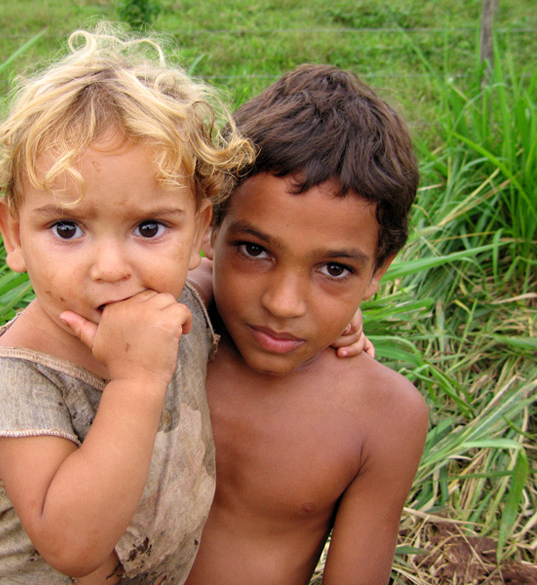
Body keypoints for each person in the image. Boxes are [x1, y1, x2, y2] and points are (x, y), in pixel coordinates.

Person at [0, 25, 255, 585]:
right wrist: (135, 383)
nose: (110, 268)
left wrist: (334, 320)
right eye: (66, 228)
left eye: (149, 226)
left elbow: (250, 303)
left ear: (197, 233)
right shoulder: (21, 378)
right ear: (14, 234)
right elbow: (69, 543)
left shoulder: (180, 297)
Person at [183, 64, 429, 585]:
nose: (284, 303)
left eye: (334, 269)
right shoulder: (157, 337)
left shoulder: (383, 417)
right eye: (255, 250)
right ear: (209, 227)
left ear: (377, 272)